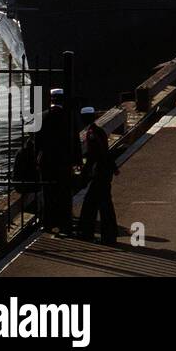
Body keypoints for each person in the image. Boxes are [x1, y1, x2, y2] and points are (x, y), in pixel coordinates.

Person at [35, 88, 79, 235]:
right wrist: (77, 160)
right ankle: (65, 225)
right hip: (63, 161)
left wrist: (37, 158)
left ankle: (47, 223)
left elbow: (37, 142)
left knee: (47, 193)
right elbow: (75, 140)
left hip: (47, 161)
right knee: (64, 193)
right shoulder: (69, 117)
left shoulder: (41, 117)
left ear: (51, 100)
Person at [77, 107, 118, 245]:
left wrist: (84, 173)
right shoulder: (99, 131)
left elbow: (94, 156)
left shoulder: (91, 133)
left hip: (100, 173)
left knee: (94, 204)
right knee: (101, 203)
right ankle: (108, 235)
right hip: (104, 172)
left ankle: (88, 233)